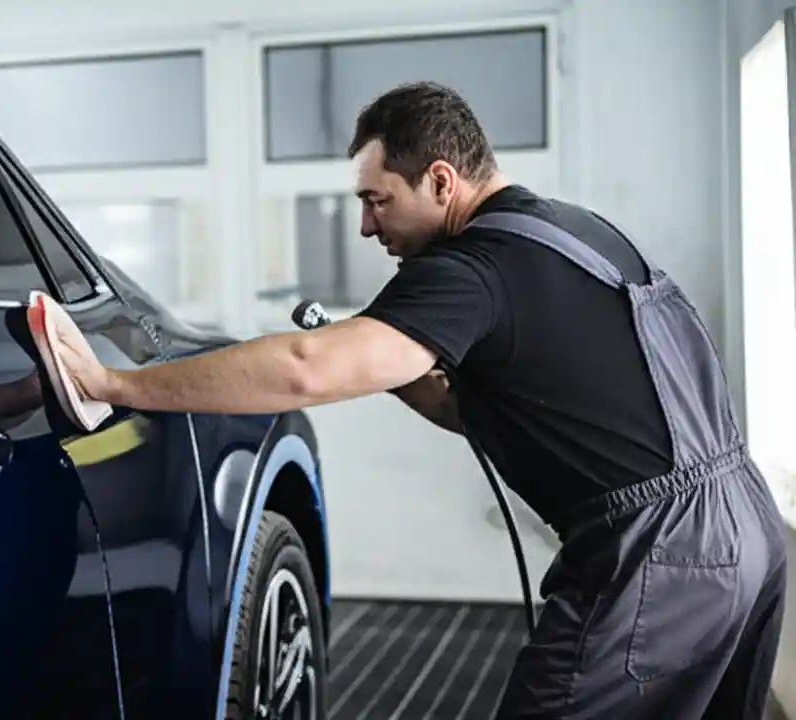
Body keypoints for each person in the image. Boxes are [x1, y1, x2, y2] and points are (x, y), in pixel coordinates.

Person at [51, 81, 788, 718]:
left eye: (378, 200)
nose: (368, 225)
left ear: (440, 181)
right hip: (746, 531)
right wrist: (390, 352)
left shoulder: (472, 268)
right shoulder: (573, 232)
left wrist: (115, 384)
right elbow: (478, 412)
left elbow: (306, 368)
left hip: (661, 556)